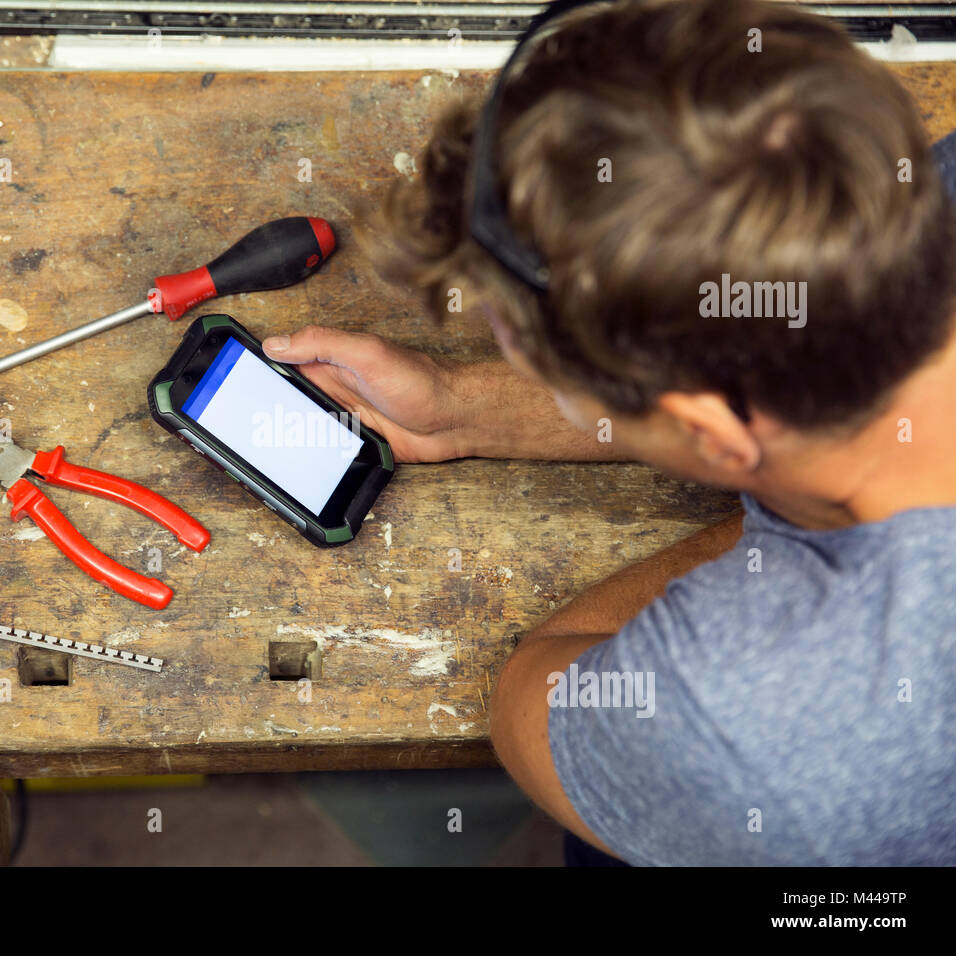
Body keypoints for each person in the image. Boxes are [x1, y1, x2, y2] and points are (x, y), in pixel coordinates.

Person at [263, 0, 956, 865]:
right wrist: (468, 406)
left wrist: (778, 534)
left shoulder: (742, 724)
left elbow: (533, 696)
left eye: (549, 377)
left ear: (716, 433)